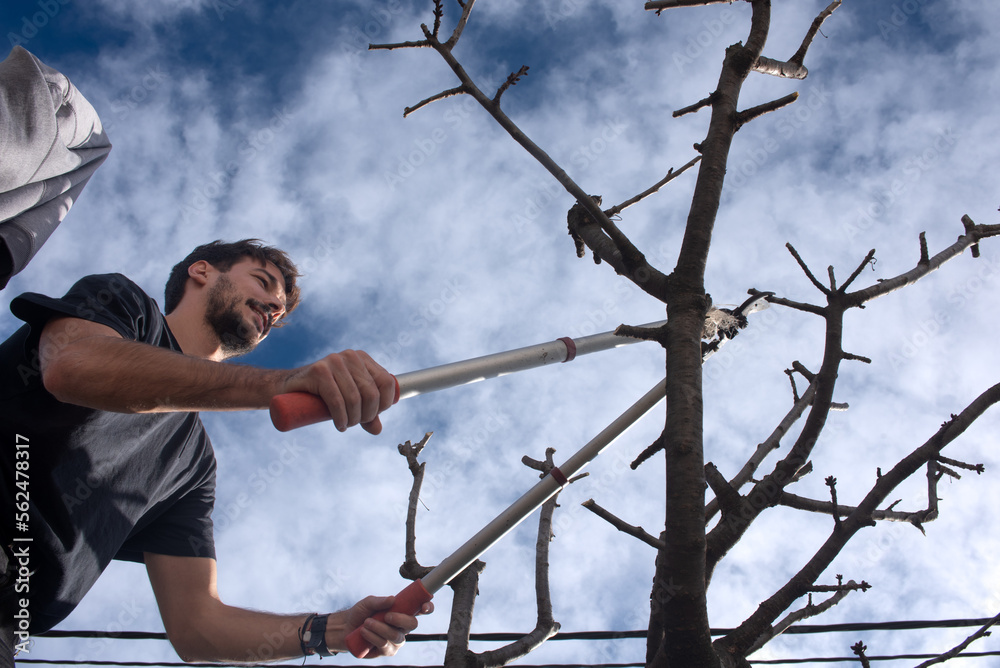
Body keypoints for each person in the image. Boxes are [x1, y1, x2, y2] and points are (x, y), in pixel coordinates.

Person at [0, 239, 432, 665]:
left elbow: (197, 626)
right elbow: (73, 366)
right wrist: (277, 385)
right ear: (202, 271)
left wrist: (333, 630)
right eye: (262, 282)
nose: (272, 309)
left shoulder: (193, 465)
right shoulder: (125, 304)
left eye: (278, 312)